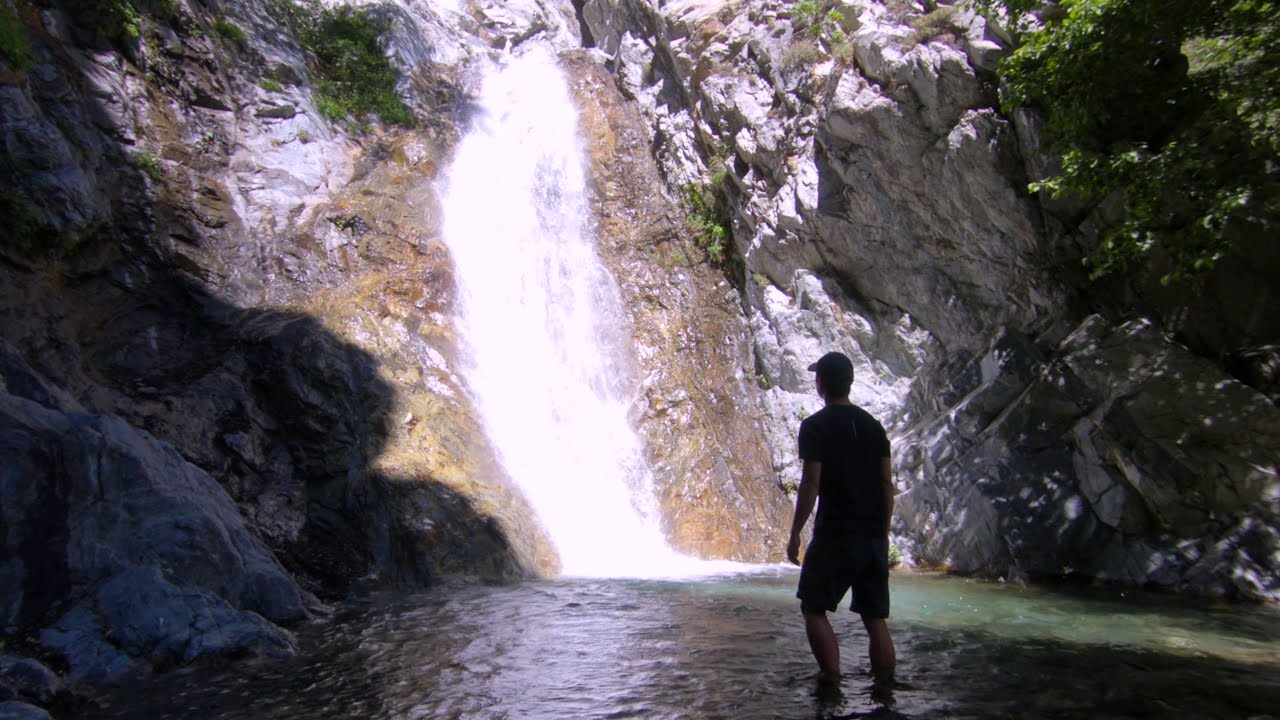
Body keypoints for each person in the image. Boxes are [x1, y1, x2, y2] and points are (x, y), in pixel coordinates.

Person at [786, 351, 897, 686]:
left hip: (836, 534)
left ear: (821, 384)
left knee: (814, 607)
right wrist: (883, 531)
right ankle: (886, 688)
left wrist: (795, 534)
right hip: (872, 535)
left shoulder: (815, 426)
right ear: (849, 382)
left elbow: (811, 483)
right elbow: (886, 483)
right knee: (875, 618)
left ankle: (831, 682)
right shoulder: (874, 427)